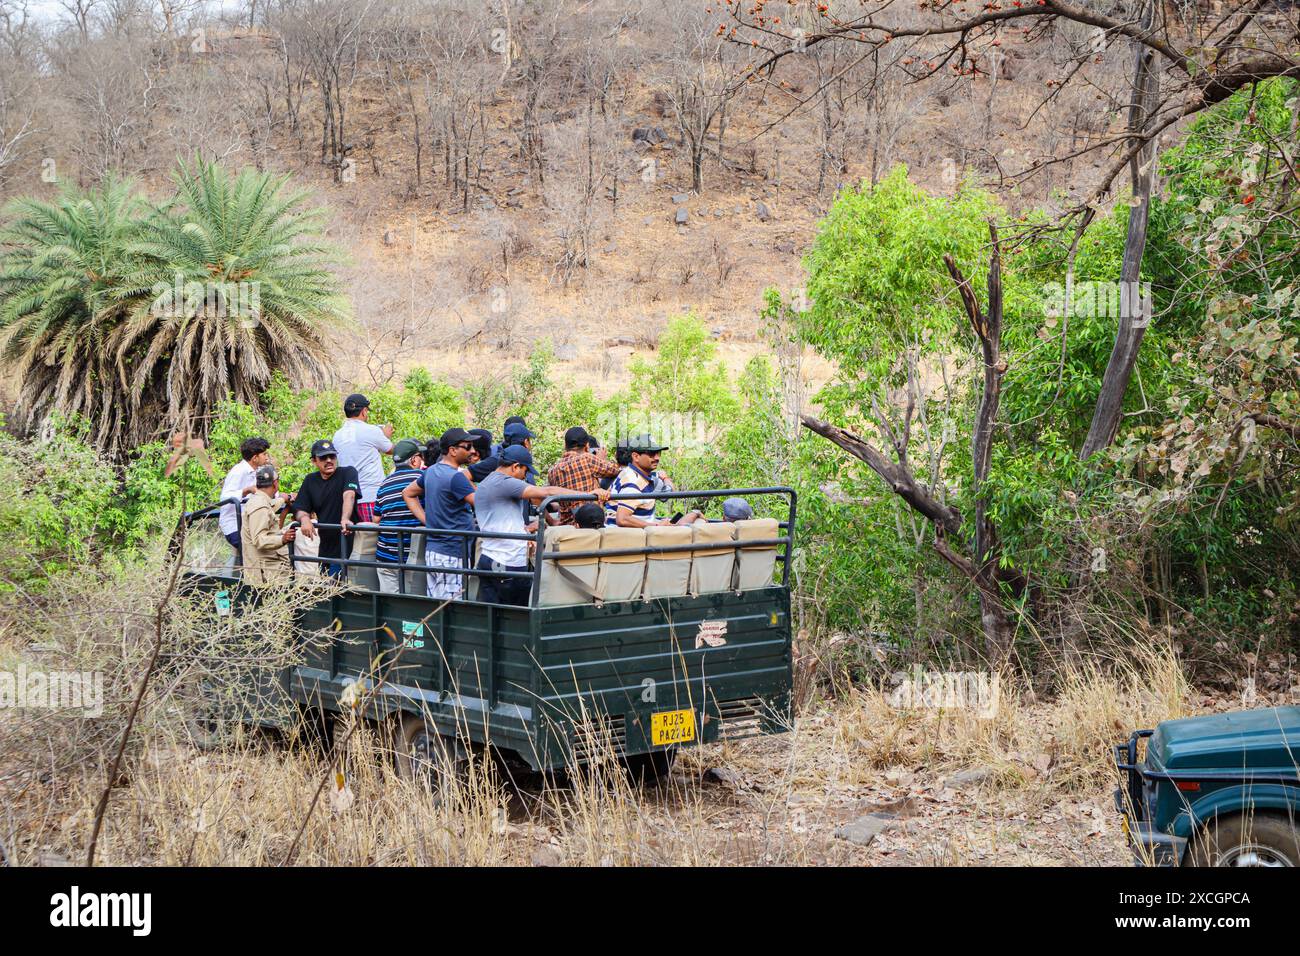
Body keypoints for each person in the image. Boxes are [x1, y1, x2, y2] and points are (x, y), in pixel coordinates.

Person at [473, 445, 608, 605]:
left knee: (492, 615)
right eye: (525, 471)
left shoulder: (487, 482)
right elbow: (547, 492)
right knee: (518, 614)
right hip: (506, 562)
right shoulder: (504, 483)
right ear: (515, 466)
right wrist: (590, 495)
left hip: (489, 558)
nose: (525, 477)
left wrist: (524, 530)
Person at [402, 427, 477, 600]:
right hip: (452, 551)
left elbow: (408, 493)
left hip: (434, 550)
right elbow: (481, 503)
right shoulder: (455, 477)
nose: (472, 451)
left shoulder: (431, 471)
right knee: (451, 607)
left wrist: (427, 521)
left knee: (436, 604)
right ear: (452, 450)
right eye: (468, 446)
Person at [294, 439, 360, 578]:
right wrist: (305, 519)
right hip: (325, 547)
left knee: (336, 586)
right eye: (323, 457)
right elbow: (300, 507)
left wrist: (345, 518)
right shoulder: (310, 480)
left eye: (332, 456)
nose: (329, 460)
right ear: (314, 461)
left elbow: (349, 494)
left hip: (346, 542)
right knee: (325, 589)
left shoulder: (348, 472)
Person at [607, 434, 703, 527]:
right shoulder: (633, 482)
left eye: (658, 453)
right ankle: (695, 513)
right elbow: (622, 519)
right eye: (651, 454)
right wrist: (657, 526)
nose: (657, 458)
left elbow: (667, 493)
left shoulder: (637, 475)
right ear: (636, 456)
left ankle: (695, 513)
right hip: (631, 537)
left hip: (638, 532)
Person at [375, 439, 426, 594]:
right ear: (414, 459)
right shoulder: (422, 477)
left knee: (392, 607)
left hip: (386, 556)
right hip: (416, 557)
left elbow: (376, 519)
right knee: (416, 611)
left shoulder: (384, 484)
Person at [548, 426, 620, 525]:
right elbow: (615, 470)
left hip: (567, 525)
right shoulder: (587, 458)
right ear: (587, 446)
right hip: (591, 522)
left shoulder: (552, 470)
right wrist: (602, 460)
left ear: (565, 445)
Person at [240, 464, 296, 586]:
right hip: (266, 574)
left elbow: (269, 507)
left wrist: (284, 499)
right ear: (275, 484)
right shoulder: (259, 506)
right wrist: (283, 538)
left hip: (268, 569)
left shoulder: (259, 500)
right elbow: (259, 539)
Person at [219, 437, 270, 564]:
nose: (267, 457)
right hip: (234, 525)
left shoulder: (257, 471)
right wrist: (246, 491)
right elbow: (225, 497)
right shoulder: (238, 471)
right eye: (264, 454)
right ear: (254, 458)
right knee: (259, 552)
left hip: (250, 524)